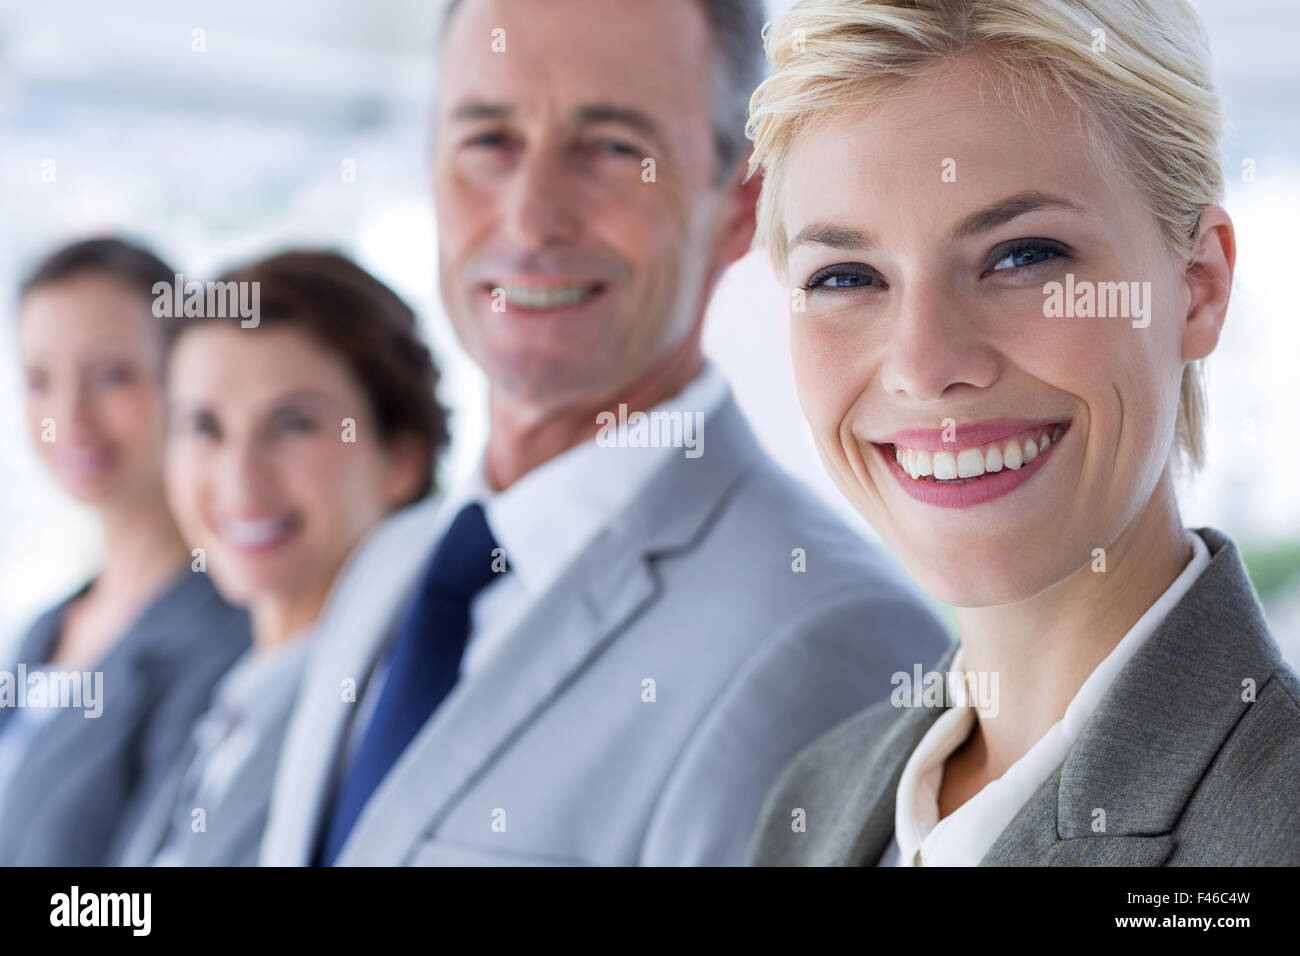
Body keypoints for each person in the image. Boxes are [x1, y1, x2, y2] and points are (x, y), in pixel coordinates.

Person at [259, 0, 950, 867]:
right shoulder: (388, 568)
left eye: (615, 148)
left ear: (740, 205)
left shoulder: (834, 637)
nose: (530, 218)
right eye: (487, 141)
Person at [745, 0, 1300, 866]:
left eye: (1023, 255)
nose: (924, 364)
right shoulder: (812, 797)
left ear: (1197, 286)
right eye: (846, 275)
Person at [107, 250, 446, 866]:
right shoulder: (233, 690)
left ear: (401, 457)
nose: (241, 480)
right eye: (204, 427)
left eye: (291, 425)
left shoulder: (401, 710)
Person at [1, 237, 250, 865]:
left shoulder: (227, 636)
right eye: (39, 380)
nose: (69, 415)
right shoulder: (47, 628)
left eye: (112, 375)